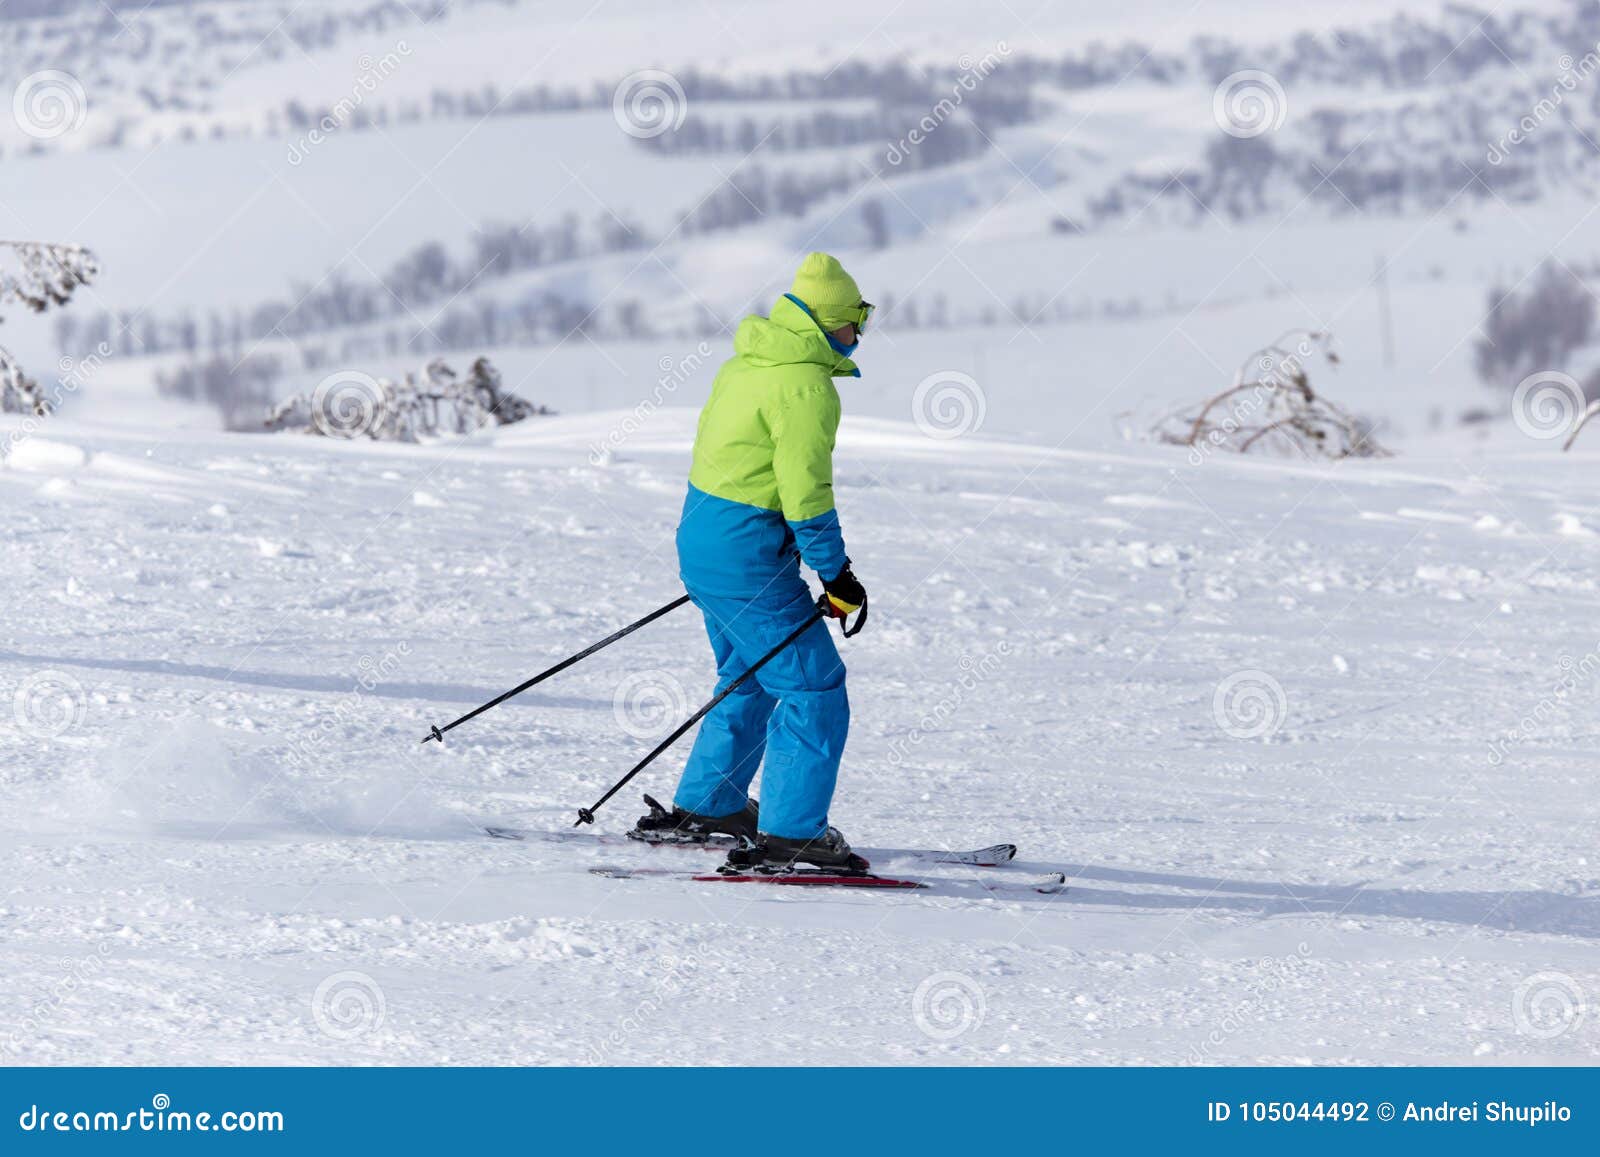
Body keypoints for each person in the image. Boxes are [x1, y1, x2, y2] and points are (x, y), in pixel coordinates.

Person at [632, 253, 873, 868]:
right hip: (747, 555)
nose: (860, 333)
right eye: (855, 320)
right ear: (827, 323)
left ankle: (712, 802)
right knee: (815, 690)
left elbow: (741, 465)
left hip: (705, 542)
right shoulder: (807, 386)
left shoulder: (747, 364)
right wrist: (837, 574)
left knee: (751, 674)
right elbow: (805, 492)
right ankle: (794, 832)